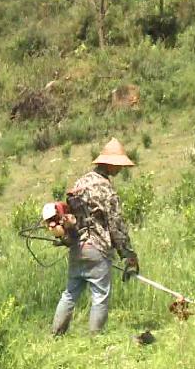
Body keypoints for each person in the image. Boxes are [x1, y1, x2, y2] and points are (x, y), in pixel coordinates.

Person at [51, 138, 139, 336]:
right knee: (100, 295)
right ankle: (95, 339)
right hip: (98, 247)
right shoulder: (106, 189)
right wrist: (128, 254)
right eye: (118, 166)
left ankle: (55, 335)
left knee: (70, 293)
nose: (120, 170)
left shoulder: (80, 182)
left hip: (77, 247)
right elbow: (116, 225)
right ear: (110, 164)